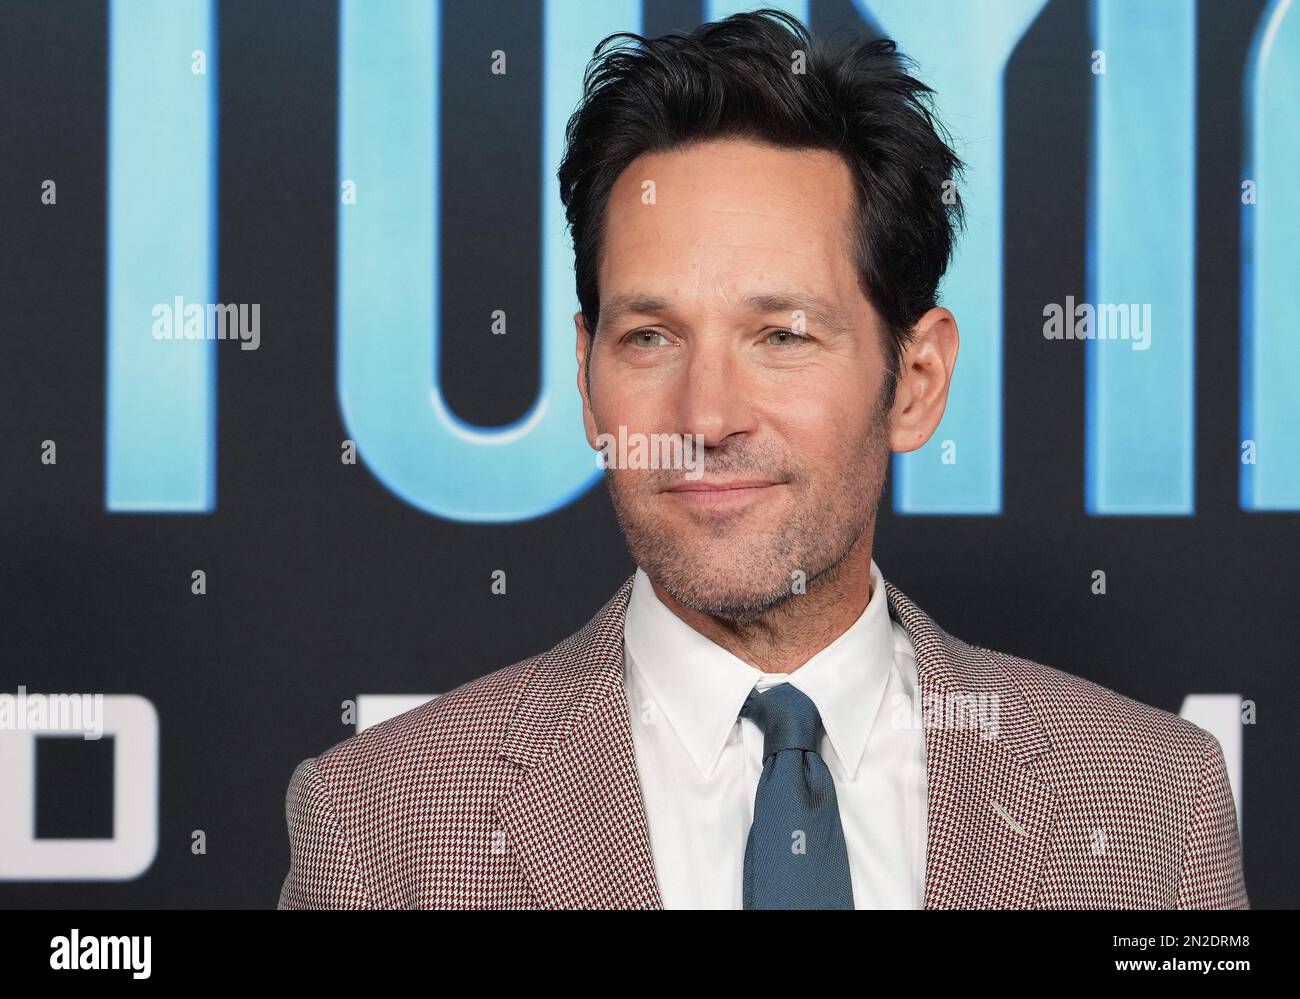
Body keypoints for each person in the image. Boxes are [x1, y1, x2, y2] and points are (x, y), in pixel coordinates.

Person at [277, 8, 1248, 909]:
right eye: (650, 337)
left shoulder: (1150, 802)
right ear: (584, 375)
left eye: (781, 336)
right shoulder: (381, 828)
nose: (706, 415)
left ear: (914, 380)